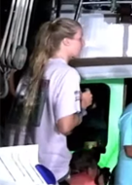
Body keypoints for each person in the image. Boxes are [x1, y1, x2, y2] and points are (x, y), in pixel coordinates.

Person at [6, 18, 93, 184]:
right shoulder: (67, 75)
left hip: (20, 167)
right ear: (66, 41)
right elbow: (65, 126)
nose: (83, 42)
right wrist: (82, 107)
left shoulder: (34, 70)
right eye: (80, 37)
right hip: (48, 170)